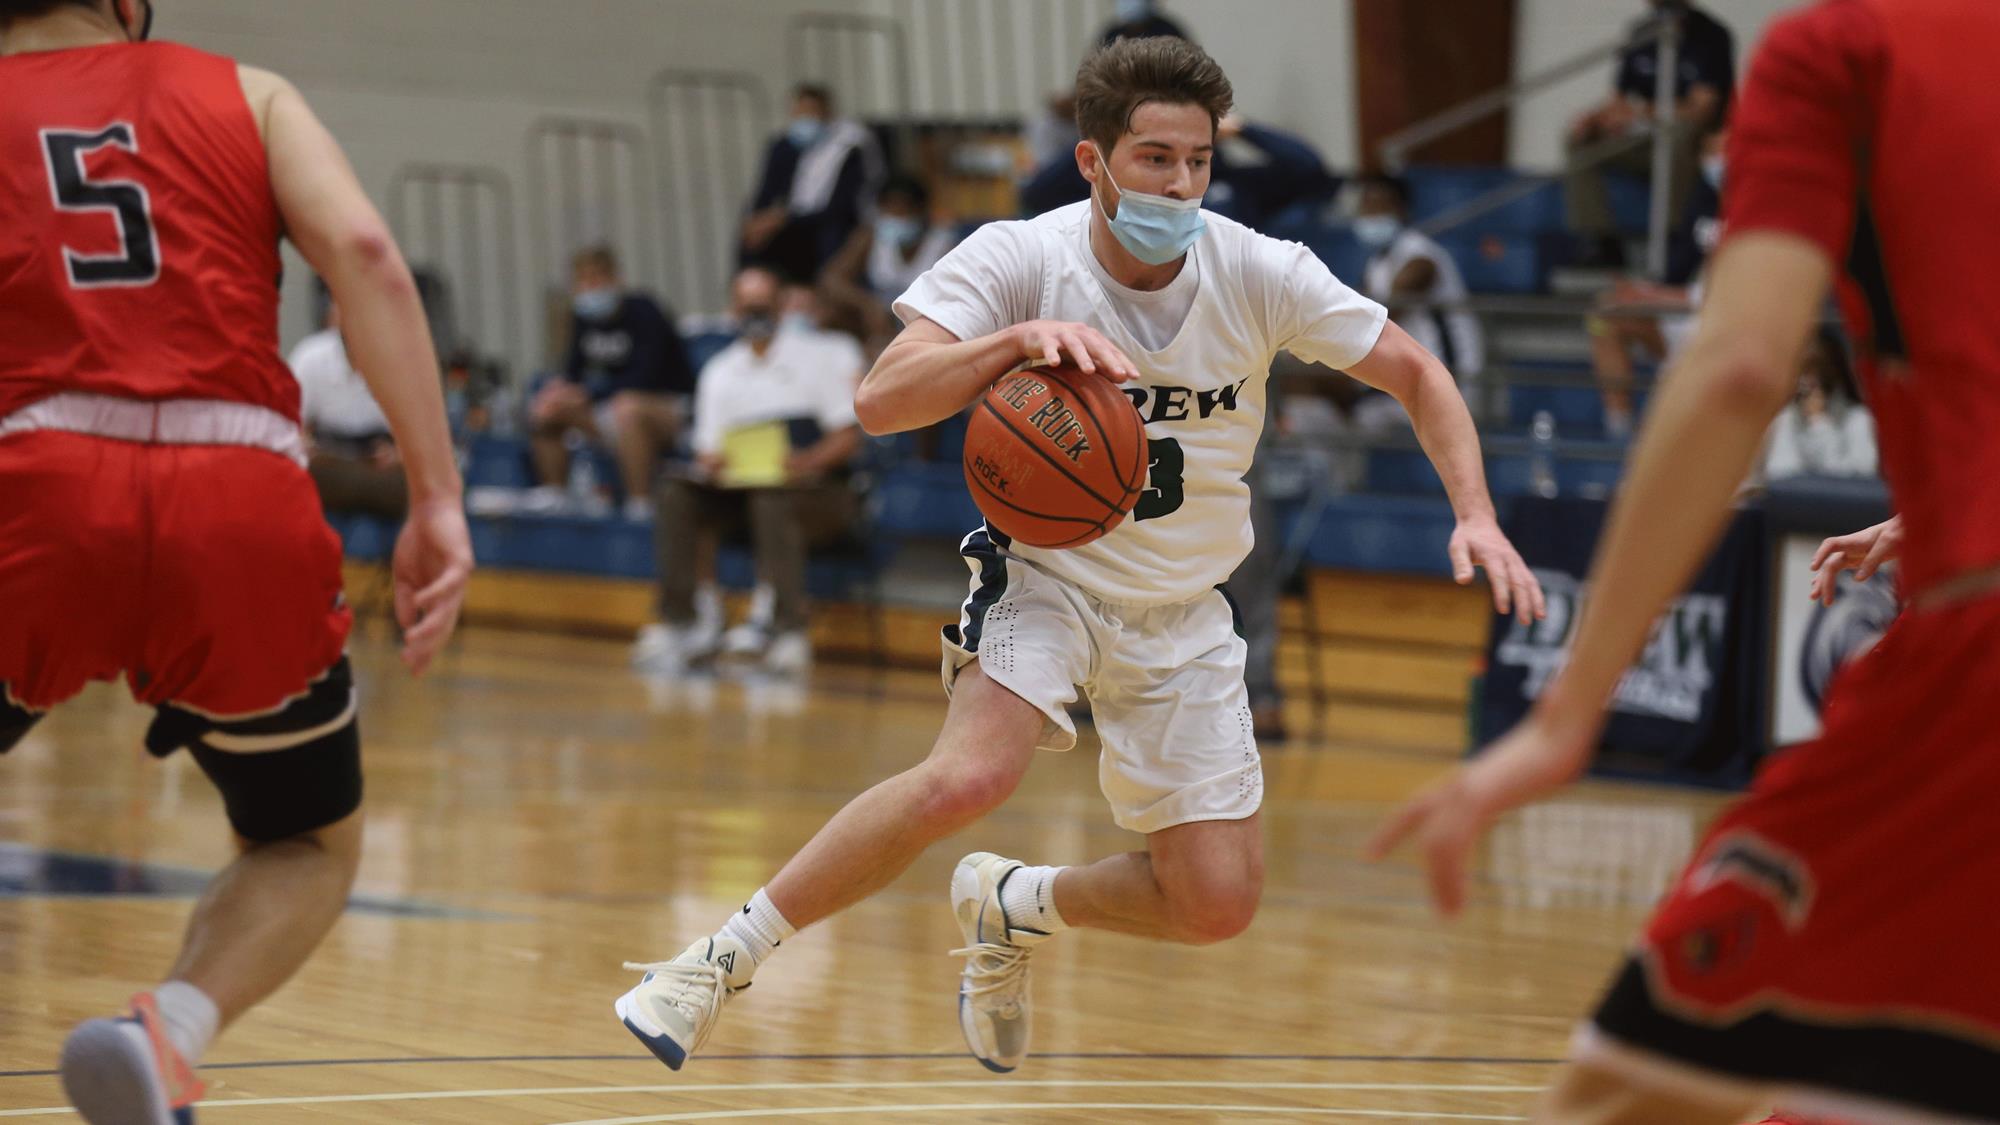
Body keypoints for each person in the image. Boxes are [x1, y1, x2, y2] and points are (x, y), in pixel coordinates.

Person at [614, 35, 1543, 1075]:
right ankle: (712, 963)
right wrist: (1008, 345)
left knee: (1215, 905)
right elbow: (880, 400)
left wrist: (1475, 514)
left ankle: (1014, 905)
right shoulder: (1020, 257)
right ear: (1094, 162)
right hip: (1042, 577)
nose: (1180, 183)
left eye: (1196, 161)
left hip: (1184, 608)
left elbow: (1415, 372)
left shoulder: (1259, 270)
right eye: (1154, 158)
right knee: (967, 778)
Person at [1372, 1, 2000, 1121]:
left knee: (1623, 1099)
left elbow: (1735, 369)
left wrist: (1568, 716)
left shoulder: (1843, 49)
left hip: (1971, 680)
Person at [0, 3, 473, 1123]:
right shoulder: (248, 91)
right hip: (240, 490)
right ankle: (168, 1033)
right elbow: (364, 255)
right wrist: (436, 494)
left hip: (37, 483)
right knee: (304, 837)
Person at [636, 268, 864, 676]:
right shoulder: (720, 372)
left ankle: (787, 630)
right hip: (745, 493)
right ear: (732, 311)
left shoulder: (817, 358)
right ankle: (685, 620)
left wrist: (807, 461)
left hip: (817, 492)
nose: (755, 315)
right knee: (677, 493)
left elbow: (848, 437)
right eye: (747, 307)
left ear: (779, 306)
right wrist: (714, 463)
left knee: (772, 497)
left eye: (763, 306)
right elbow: (707, 451)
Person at [527, 246, 696, 520]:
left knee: (626, 408)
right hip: (609, 407)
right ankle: (554, 494)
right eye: (581, 282)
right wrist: (560, 394)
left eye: (595, 280)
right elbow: (573, 373)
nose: (588, 289)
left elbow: (645, 377)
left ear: (614, 279)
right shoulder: (582, 320)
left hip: (668, 409)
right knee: (546, 406)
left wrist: (588, 393)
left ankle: (640, 505)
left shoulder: (644, 310)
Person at [1564, 0, 1734, 266]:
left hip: (1691, 145)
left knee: (1677, 133)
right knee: (1580, 139)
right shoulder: (1642, 32)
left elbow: (1702, 108)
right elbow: (1618, 100)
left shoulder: (1710, 35)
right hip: (1645, 141)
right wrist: (1595, 119)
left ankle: (1675, 237)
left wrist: (1642, 112)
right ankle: (1599, 239)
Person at [1588, 124, 1726, 437]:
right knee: (1605, 313)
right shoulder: (1702, 198)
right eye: (1712, 150)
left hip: (1729, 326)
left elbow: (1726, 296)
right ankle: (1618, 430)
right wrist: (1641, 292)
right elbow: (1678, 272)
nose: (1720, 159)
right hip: (1687, 314)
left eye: (1726, 149)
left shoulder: (1757, 204)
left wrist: (1648, 295)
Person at [1351, 173, 1483, 433]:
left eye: (1379, 207)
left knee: (1358, 414)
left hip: (1451, 378)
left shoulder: (1421, 254)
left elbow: (1383, 313)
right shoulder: (1376, 263)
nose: (1370, 214)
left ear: (1401, 211)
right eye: (1366, 207)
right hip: (1410, 374)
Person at [741, 85, 884, 284]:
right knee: (751, 234)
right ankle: (752, 295)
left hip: (829, 222)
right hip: (789, 220)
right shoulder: (783, 146)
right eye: (801, 111)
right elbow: (766, 191)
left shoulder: (849, 147)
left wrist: (783, 219)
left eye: (812, 111)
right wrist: (756, 220)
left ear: (827, 113)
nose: (805, 118)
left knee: (830, 234)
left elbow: (841, 206)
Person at [291, 296, 408, 521]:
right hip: (329, 463)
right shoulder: (311, 356)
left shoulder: (400, 359)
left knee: (409, 483)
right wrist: (307, 446)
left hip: (381, 466)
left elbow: (418, 435)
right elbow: (292, 425)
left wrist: (397, 455)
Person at [820, 176, 961, 352]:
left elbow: (953, 296)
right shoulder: (871, 236)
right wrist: (867, 305)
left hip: (925, 318)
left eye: (901, 212)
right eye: (888, 212)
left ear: (921, 211)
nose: (893, 218)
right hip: (878, 316)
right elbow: (831, 278)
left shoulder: (943, 244)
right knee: (829, 311)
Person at [1761, 327, 1875, 482]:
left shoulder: (1859, 420)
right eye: (1801, 373)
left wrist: (1820, 424)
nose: (1805, 385)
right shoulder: (1786, 419)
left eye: (1814, 374)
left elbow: (1854, 480)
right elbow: (1781, 475)